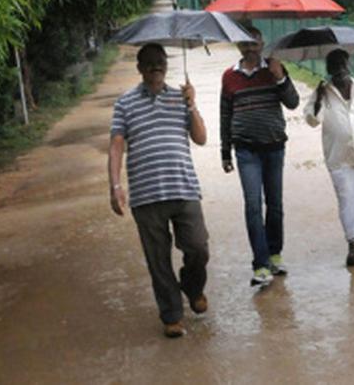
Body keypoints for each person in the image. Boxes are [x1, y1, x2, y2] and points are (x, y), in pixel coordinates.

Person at [108, 43, 209, 338]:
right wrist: (115, 185)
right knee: (158, 259)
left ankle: (192, 287)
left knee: (198, 247)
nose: (156, 68)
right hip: (146, 194)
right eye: (149, 63)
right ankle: (172, 315)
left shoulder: (181, 97)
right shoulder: (125, 103)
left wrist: (192, 104)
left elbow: (201, 138)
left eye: (160, 62)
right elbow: (116, 145)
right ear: (139, 68)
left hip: (184, 187)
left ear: (167, 65)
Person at [220, 24, 299, 287]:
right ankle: (261, 264)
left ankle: (275, 253)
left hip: (274, 147)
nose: (250, 46)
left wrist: (280, 78)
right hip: (246, 150)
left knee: (274, 204)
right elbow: (225, 115)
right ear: (239, 46)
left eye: (254, 41)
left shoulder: (275, 68)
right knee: (253, 205)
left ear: (262, 43)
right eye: (245, 42)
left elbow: (293, 102)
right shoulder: (229, 77)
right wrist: (225, 152)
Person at [304, 49, 354, 267]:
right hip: (338, 156)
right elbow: (312, 120)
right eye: (334, 65)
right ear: (329, 69)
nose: (339, 69)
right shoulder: (323, 91)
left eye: (342, 64)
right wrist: (319, 100)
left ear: (348, 65)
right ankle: (352, 243)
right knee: (346, 197)